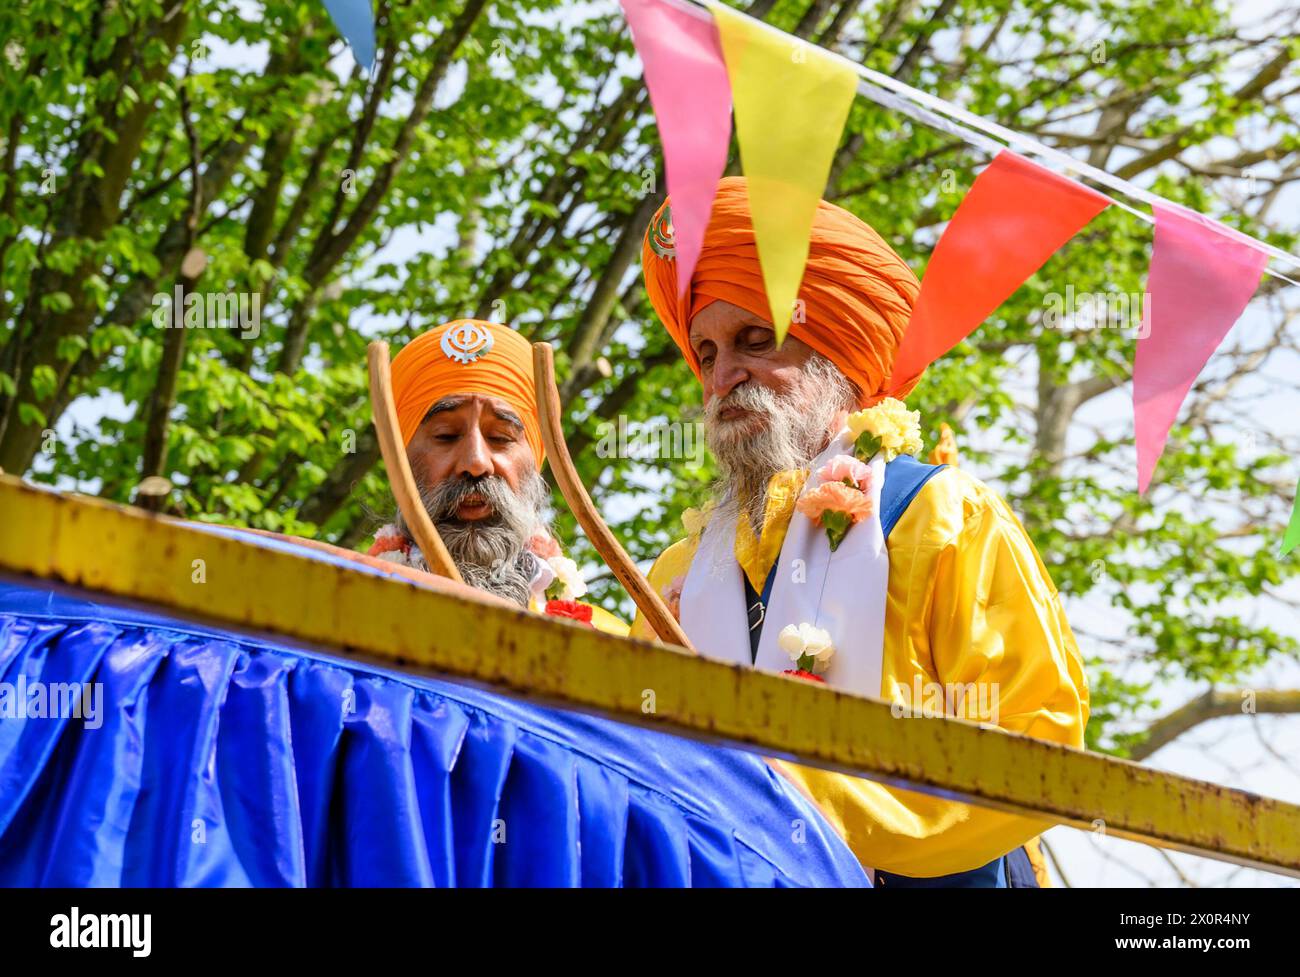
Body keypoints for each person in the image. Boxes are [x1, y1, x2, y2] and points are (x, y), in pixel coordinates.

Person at [631, 177, 1088, 886]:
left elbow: (1037, 734)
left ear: (833, 357)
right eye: (708, 353)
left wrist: (814, 809)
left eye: (756, 340)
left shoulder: (938, 515)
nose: (725, 376)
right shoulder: (672, 577)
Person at [367, 319, 626, 636]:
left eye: (501, 437)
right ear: (399, 461)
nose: (475, 463)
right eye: (446, 436)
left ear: (536, 460)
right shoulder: (342, 616)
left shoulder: (608, 644)